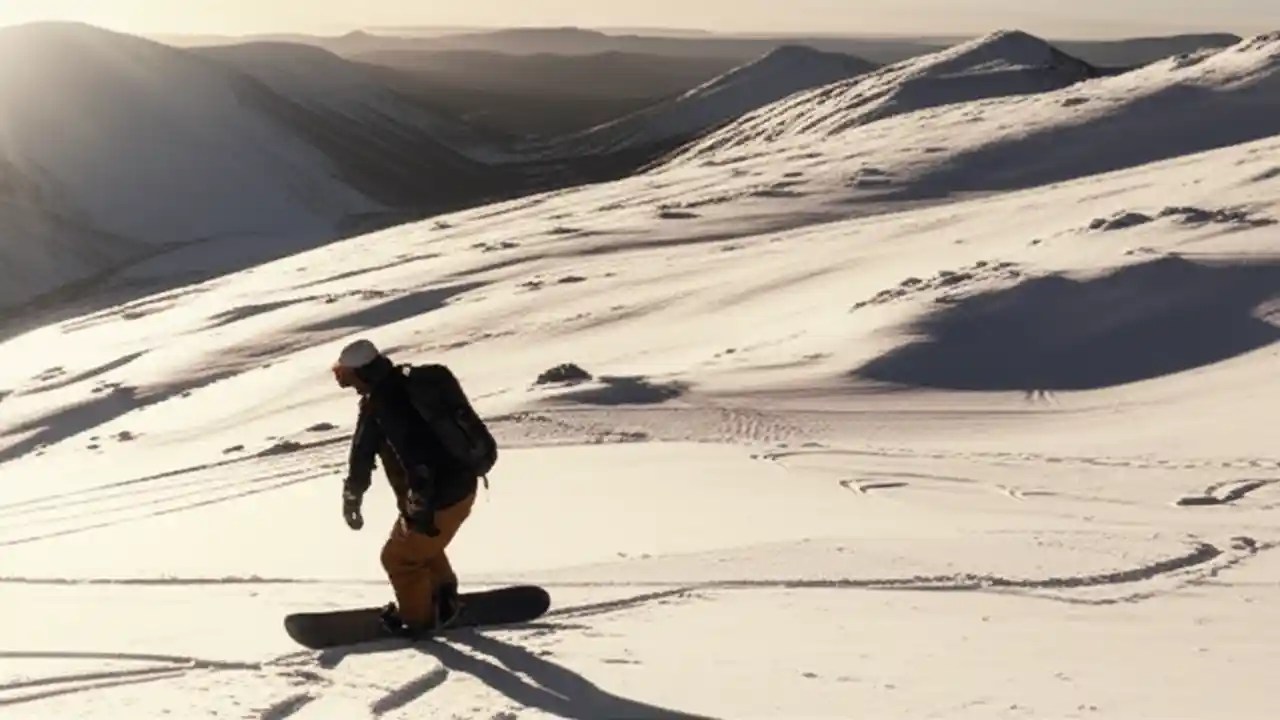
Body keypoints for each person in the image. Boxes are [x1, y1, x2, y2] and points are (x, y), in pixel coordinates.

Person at [331, 338, 479, 638]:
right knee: (420, 547)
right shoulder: (409, 386)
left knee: (398, 559)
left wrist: (419, 507)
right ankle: (444, 598)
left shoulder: (384, 407)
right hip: (463, 487)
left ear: (362, 373)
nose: (349, 386)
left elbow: (414, 460)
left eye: (347, 378)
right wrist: (354, 494)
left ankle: (417, 619)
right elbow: (364, 454)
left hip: (436, 499)